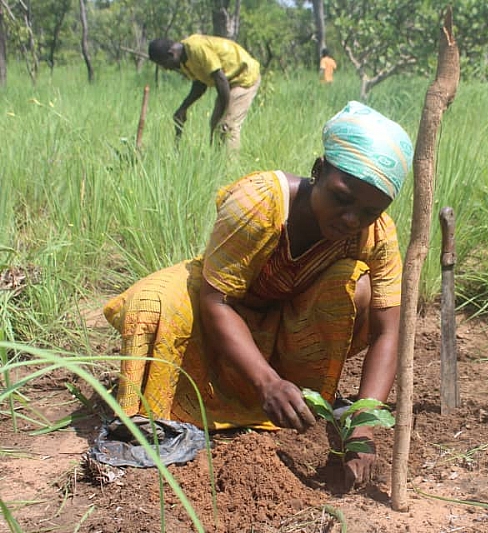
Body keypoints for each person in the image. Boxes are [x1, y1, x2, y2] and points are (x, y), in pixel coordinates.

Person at [103, 101, 413, 486]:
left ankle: (296, 391)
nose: (352, 219)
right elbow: (217, 300)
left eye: (369, 211)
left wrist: (364, 430)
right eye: (342, 197)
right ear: (318, 170)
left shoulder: (376, 234)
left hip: (287, 324)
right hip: (219, 308)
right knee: (156, 302)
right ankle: (178, 408)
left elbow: (388, 330)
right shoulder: (259, 203)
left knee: (357, 285)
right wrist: (266, 384)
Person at [148, 35, 261, 150]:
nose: (166, 69)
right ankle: (216, 163)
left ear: (171, 54)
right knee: (216, 125)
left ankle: (231, 167)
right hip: (228, 81)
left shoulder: (196, 48)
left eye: (164, 64)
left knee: (227, 126)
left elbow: (220, 79)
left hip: (244, 75)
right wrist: (183, 108)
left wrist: (224, 113)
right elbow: (200, 85)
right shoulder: (184, 60)